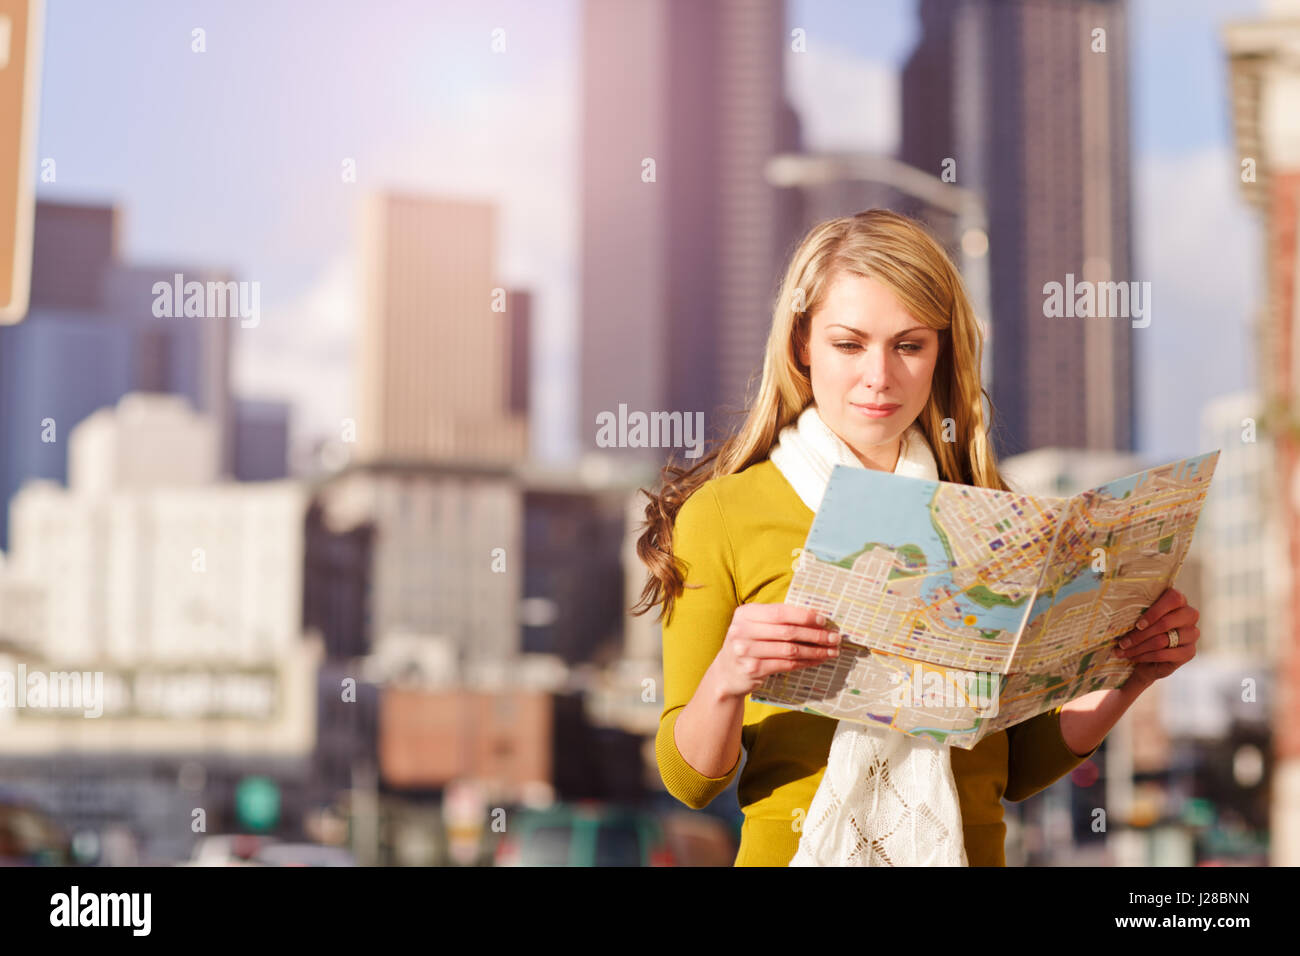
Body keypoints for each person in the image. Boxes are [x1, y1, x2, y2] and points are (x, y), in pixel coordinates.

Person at [630, 208, 1201, 866]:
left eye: (908, 344)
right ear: (801, 347)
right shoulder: (725, 514)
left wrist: (1131, 674)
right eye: (848, 344)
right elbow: (689, 779)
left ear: (941, 351)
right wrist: (728, 677)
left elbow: (1017, 766)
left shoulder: (993, 515)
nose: (879, 375)